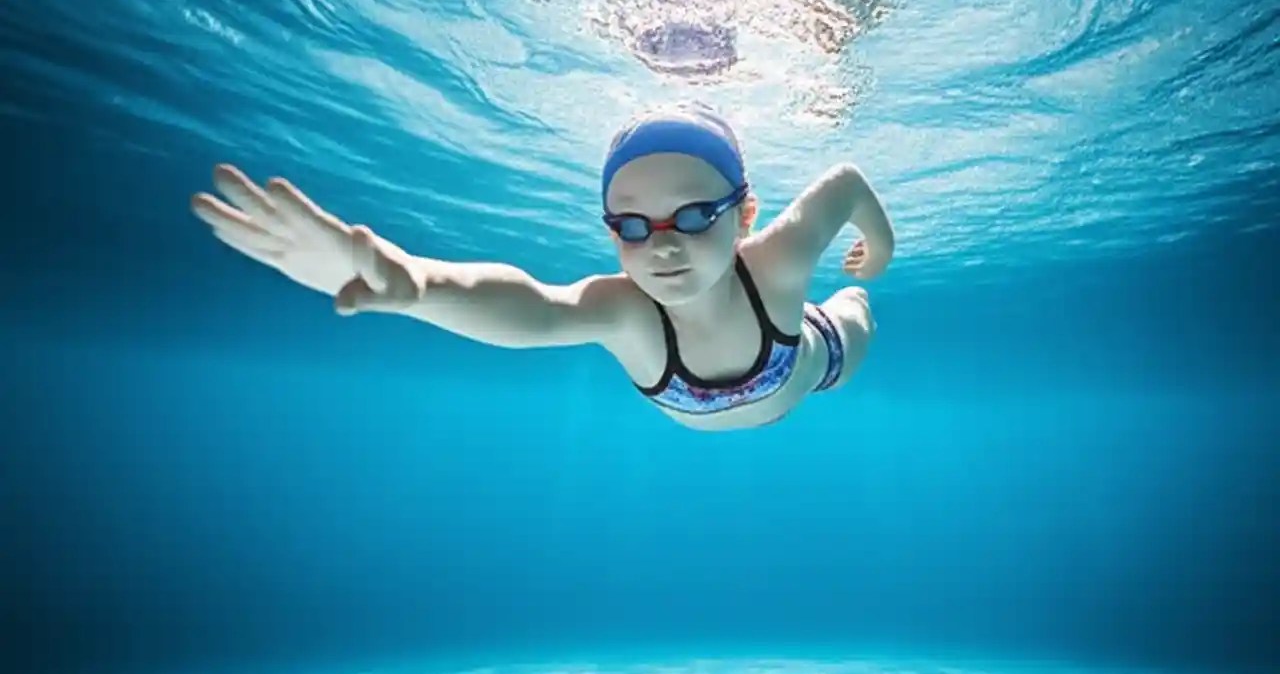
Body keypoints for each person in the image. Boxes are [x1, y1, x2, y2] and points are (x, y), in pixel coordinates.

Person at [190, 102, 894, 431]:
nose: (664, 247)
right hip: (772, 375)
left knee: (855, 315)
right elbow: (534, 308)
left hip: (815, 360)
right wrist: (417, 286)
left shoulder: (776, 262)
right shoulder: (626, 311)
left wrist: (879, 251)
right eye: (632, 227)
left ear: (743, 216)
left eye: (692, 217)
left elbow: (846, 182)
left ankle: (854, 309)